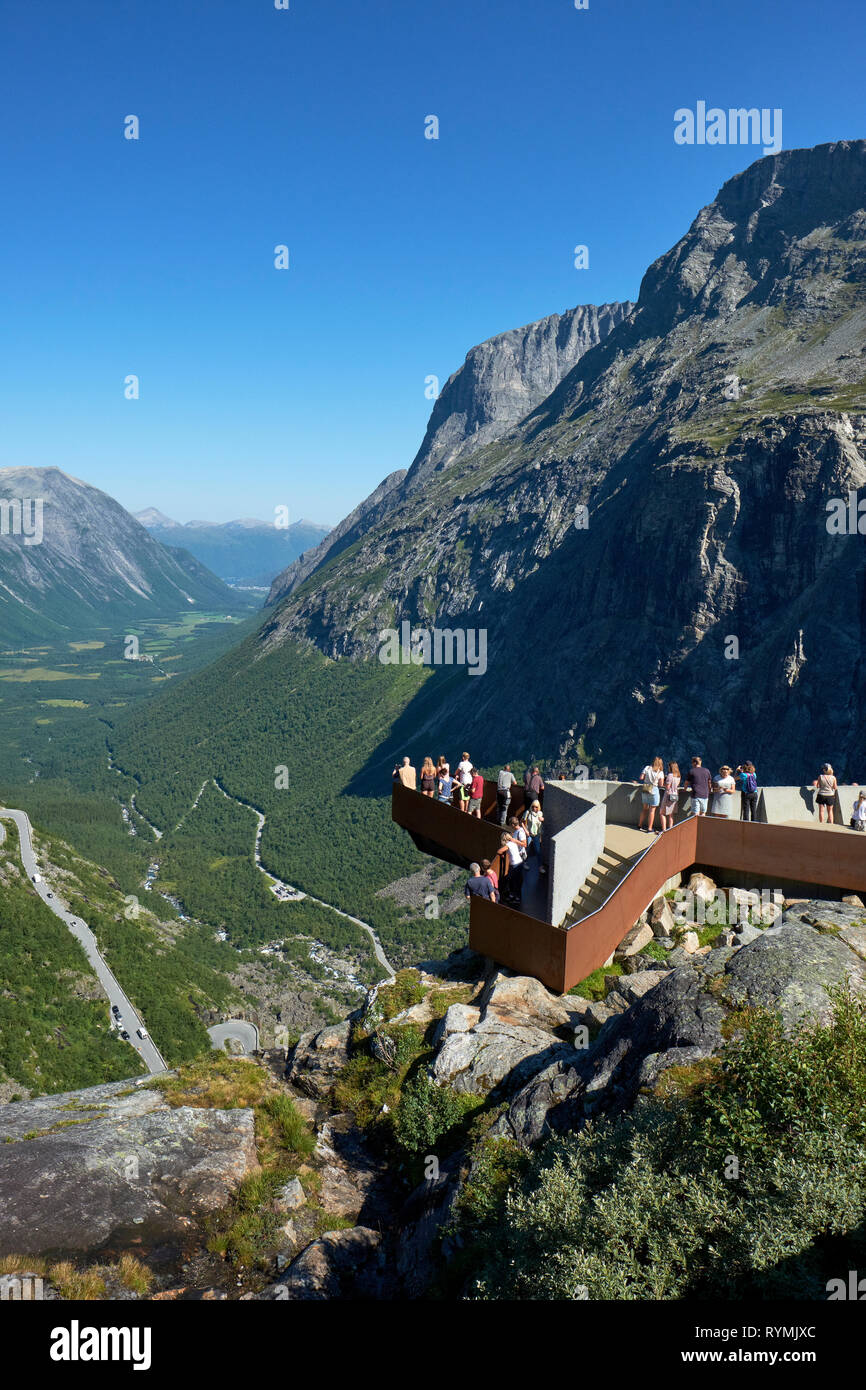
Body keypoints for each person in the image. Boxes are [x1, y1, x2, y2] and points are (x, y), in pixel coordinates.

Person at [637, 756, 664, 832]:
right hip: (654, 790)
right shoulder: (660, 772)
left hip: (646, 788)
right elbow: (661, 785)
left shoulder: (647, 768)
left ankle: (639, 825)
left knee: (644, 809)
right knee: (652, 811)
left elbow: (641, 777)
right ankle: (649, 828)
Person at [501, 831, 526, 906]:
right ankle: (514, 896)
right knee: (516, 880)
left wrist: (501, 854)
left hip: (515, 864)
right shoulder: (514, 843)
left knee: (514, 881)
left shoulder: (508, 845)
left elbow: (499, 851)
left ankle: (516, 898)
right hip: (519, 862)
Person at [659, 761, 680, 831]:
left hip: (668, 795)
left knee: (662, 813)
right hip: (675, 795)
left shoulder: (670, 775)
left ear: (670, 767)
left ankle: (664, 830)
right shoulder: (678, 775)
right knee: (671, 814)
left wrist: (664, 782)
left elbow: (667, 787)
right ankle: (670, 830)